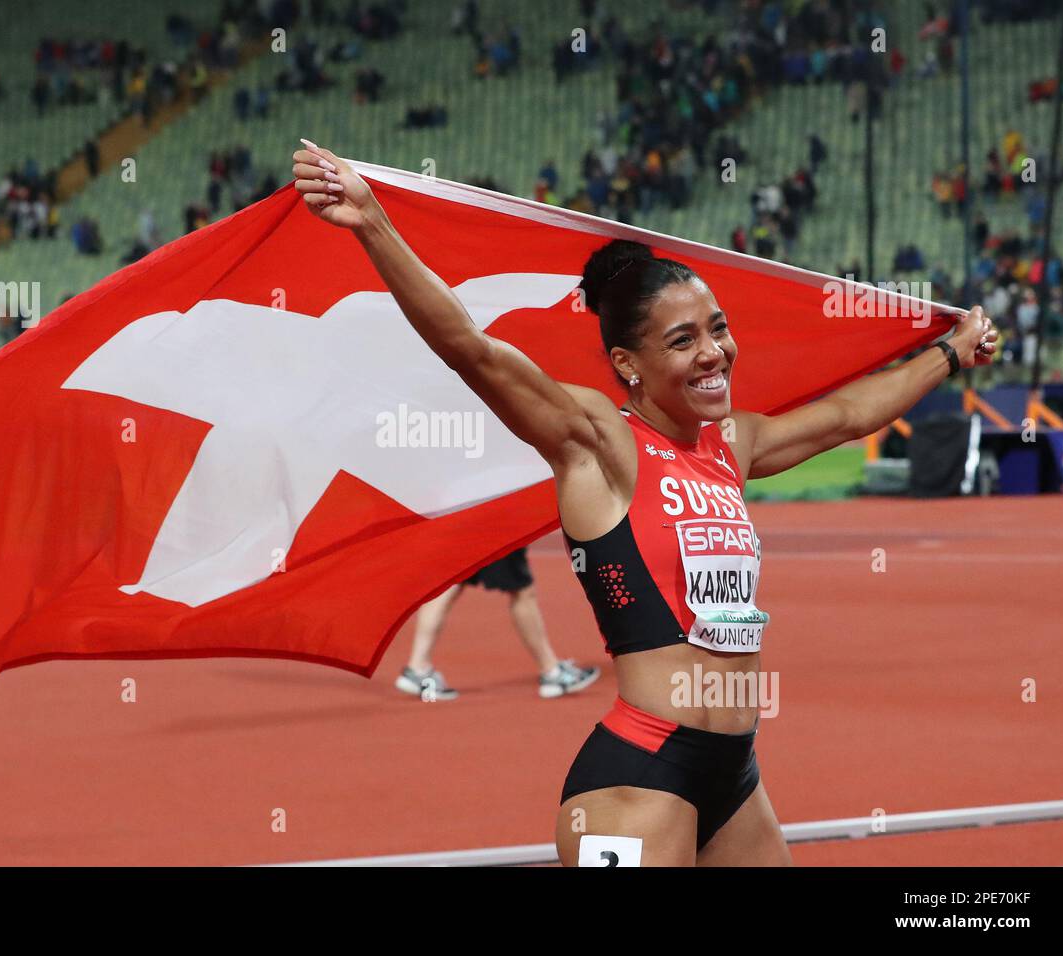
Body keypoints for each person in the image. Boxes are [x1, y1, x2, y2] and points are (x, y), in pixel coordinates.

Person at [292, 139, 1000, 866]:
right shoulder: (598, 443)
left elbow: (849, 415)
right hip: (640, 774)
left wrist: (949, 353)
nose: (714, 352)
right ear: (628, 365)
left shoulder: (733, 443)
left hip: (736, 775)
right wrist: (372, 222)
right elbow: (471, 348)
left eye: (718, 329)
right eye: (684, 339)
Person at [396, 547, 601, 701]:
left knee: (451, 582)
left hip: (467, 511)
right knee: (522, 591)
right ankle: (552, 672)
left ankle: (418, 667)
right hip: (495, 515)